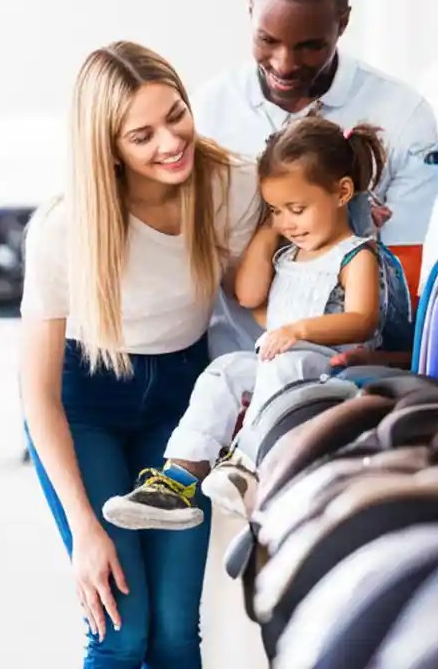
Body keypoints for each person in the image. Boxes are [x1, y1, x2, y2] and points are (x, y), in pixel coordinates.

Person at [18, 41, 262, 668]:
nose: (170, 142)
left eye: (176, 114)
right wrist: (82, 531)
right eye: (142, 134)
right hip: (84, 407)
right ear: (109, 146)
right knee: (121, 633)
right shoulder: (63, 229)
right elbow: (37, 394)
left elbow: (258, 292)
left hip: (181, 405)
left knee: (177, 633)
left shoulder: (230, 183)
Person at [101, 115, 387, 530]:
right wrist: (270, 232)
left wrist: (297, 330)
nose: (288, 221)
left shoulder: (354, 255)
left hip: (332, 369)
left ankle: (245, 465)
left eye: (297, 209)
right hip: (280, 364)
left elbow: (362, 320)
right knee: (224, 370)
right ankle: (178, 480)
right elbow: (250, 296)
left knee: (282, 364)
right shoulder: (289, 255)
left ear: (342, 192)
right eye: (276, 210)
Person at [194, 0, 438, 363]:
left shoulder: (402, 116)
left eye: (310, 47)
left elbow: (408, 280)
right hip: (230, 357)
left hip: (344, 367)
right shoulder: (208, 111)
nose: (284, 64)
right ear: (249, 12)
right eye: (267, 40)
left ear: (343, 23)